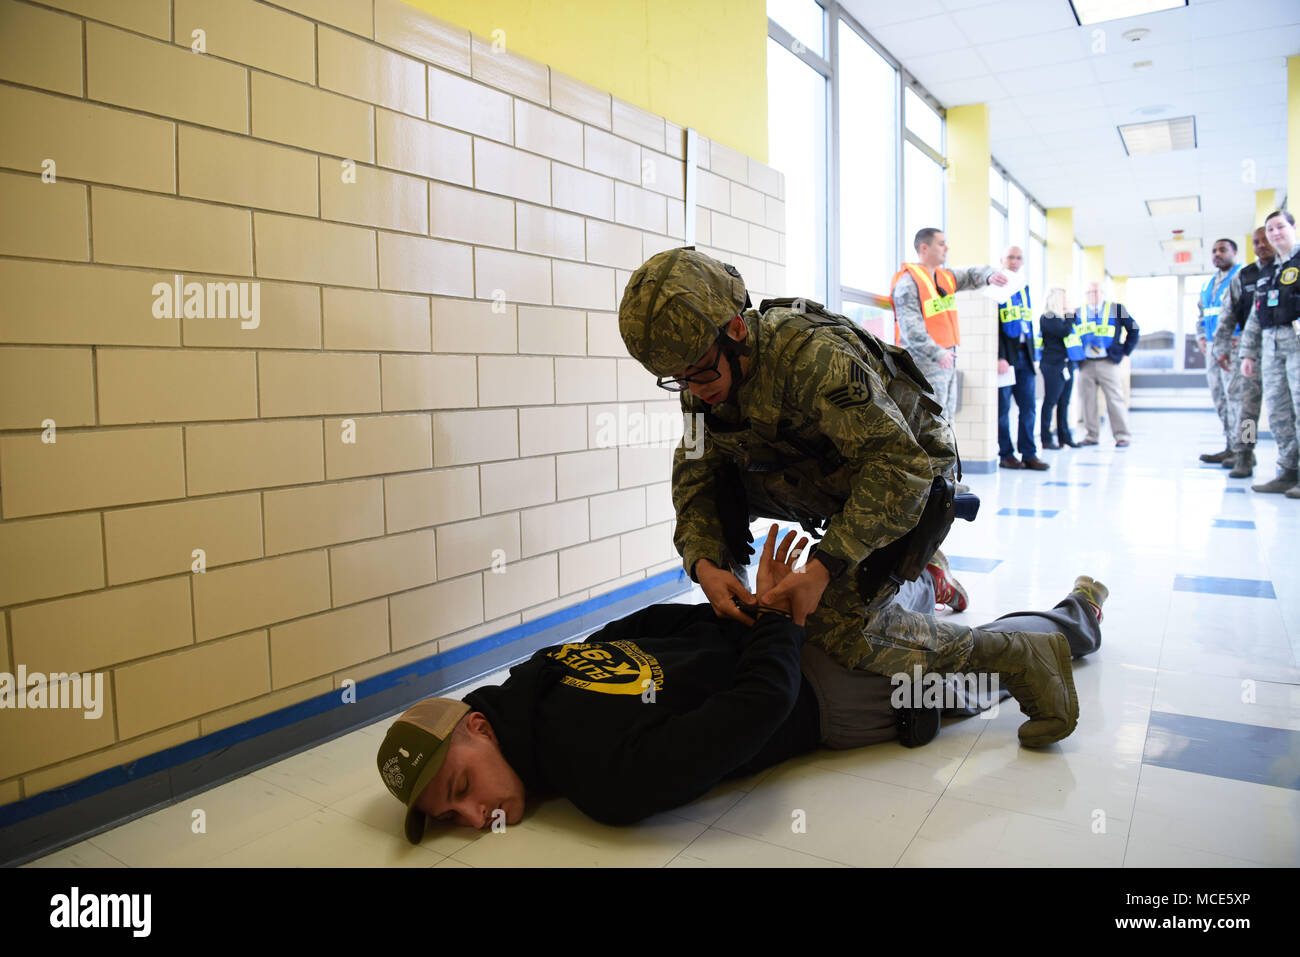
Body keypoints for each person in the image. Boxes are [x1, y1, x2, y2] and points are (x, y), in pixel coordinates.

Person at [614, 246, 1080, 750]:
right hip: (828, 477)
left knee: (833, 626)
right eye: (678, 378)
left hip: (912, 479)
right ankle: (919, 575)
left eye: (700, 371)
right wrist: (706, 563)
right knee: (718, 478)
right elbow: (696, 474)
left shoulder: (813, 359)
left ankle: (1020, 654)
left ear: (736, 330)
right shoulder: (701, 380)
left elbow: (900, 468)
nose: (693, 388)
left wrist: (824, 567)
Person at [376, 525, 1109, 838]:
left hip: (825, 689)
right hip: (783, 633)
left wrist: (772, 622)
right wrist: (759, 614)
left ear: (478, 727)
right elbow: (654, 623)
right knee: (915, 623)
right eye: (452, 816)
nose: (474, 815)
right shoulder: (545, 670)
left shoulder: (600, 781)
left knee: (985, 670)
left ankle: (1075, 616)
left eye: (462, 787)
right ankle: (931, 580)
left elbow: (763, 705)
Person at [889, 227, 1009, 420]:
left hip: (946, 360)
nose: (947, 248)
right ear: (924, 248)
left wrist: (989, 276)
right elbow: (910, 329)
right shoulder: (908, 283)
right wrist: (937, 353)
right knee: (929, 421)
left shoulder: (944, 277)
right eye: (941, 244)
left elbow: (971, 274)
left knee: (946, 420)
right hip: (924, 363)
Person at [1240, 209, 1300, 497]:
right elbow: (1254, 315)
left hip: (1295, 343)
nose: (1274, 235)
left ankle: (1243, 452)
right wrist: (1247, 353)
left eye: (1279, 227)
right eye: (1269, 230)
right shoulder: (1263, 272)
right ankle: (1286, 470)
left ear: (1293, 228)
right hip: (1267, 347)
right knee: (1277, 412)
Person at [1211, 227, 1273, 478]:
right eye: (1256, 242)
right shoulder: (1245, 276)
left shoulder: (1290, 269)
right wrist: (1221, 347)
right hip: (1250, 351)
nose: (1261, 245)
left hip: (1286, 347)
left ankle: (1291, 465)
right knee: (1247, 408)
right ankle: (1245, 454)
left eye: (1265, 240)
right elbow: (1227, 315)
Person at [995, 246, 1048, 470]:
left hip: (1026, 356)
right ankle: (1006, 454)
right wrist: (999, 356)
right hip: (1007, 357)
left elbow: (1027, 324)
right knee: (1003, 409)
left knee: (1028, 408)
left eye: (1018, 258)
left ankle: (1029, 454)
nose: (1015, 261)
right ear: (1002, 260)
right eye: (1011, 257)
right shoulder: (996, 286)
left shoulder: (1024, 288)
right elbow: (993, 326)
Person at [1075, 282, 1140, 447]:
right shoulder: (1077, 312)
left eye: (1096, 291)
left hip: (1108, 362)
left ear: (1102, 293)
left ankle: (1122, 436)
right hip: (1085, 363)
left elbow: (1134, 328)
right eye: (1089, 292)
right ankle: (1091, 435)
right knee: (1088, 401)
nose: (1093, 295)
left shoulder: (1117, 309)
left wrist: (1125, 351)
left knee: (1115, 399)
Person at [1197, 239, 1242, 465]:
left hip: (1236, 348)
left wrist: (1243, 335)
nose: (1217, 254)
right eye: (1214, 251)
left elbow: (1252, 311)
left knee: (1242, 403)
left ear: (1234, 252)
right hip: (1213, 348)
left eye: (1222, 250)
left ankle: (1246, 451)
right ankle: (1231, 447)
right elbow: (1202, 314)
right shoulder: (1208, 285)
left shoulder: (1242, 277)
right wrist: (1201, 337)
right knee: (1221, 400)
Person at [1038, 287, 1084, 449]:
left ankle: (1065, 437)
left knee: (1064, 402)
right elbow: (1064, 332)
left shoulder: (1062, 318)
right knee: (1051, 401)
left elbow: (1074, 327)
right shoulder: (1048, 317)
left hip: (1066, 364)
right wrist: (1070, 316)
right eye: (1064, 298)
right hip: (1053, 365)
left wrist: (1070, 316)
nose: (1067, 301)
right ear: (1057, 299)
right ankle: (1046, 438)